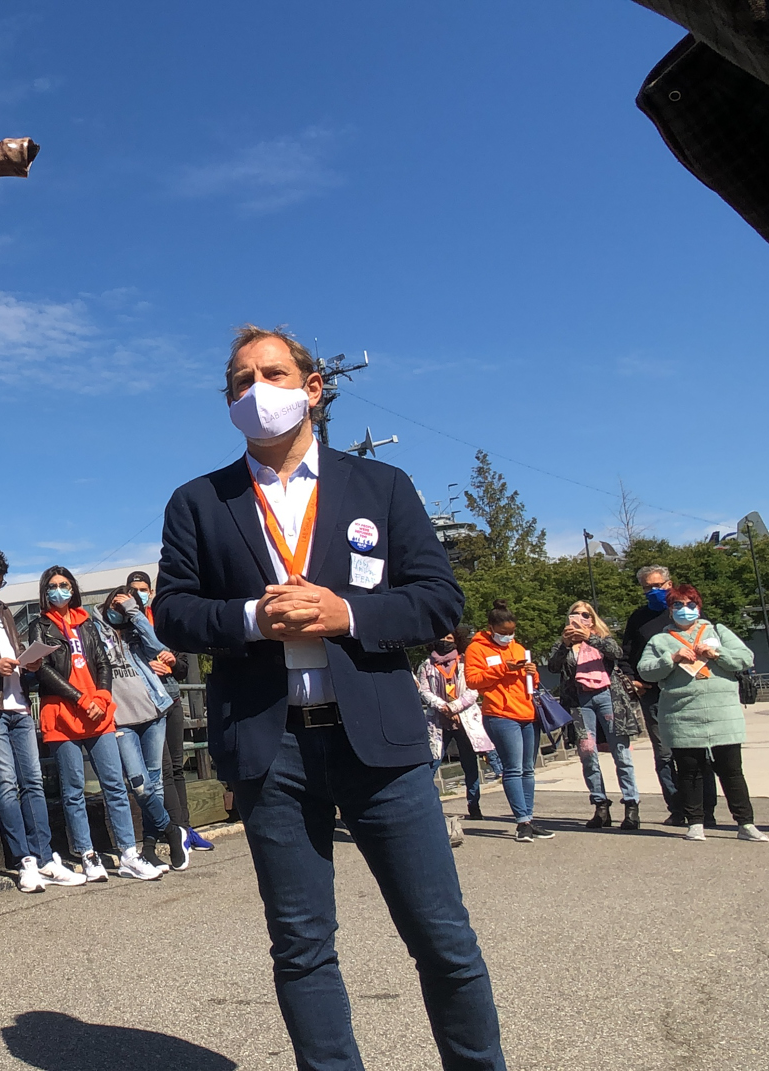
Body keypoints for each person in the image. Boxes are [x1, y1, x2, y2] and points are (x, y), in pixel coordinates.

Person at [153, 325, 502, 1070]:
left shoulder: (382, 486)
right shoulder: (198, 501)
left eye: (272, 374)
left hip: (378, 739)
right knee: (302, 947)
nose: (256, 391)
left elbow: (439, 600)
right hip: (270, 746)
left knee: (442, 937)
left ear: (313, 388)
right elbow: (173, 613)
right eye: (240, 381)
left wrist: (348, 613)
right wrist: (252, 618)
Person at [23, 567, 166, 882]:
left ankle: (129, 853)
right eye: (53, 586)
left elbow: (103, 662)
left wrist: (101, 697)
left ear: (73, 588)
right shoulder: (39, 626)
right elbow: (43, 669)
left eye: (64, 584)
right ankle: (87, 854)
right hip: (62, 714)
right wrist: (80, 699)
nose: (59, 590)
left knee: (115, 785)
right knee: (73, 789)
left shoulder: (87, 622)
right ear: (45, 592)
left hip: (97, 714)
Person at [0, 548, 84, 891]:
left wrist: (29, 664)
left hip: (19, 704)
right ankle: (23, 860)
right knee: (5, 783)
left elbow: (13, 652)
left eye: (0, 582)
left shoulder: (2, 610)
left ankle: (44, 856)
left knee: (33, 782)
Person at [637, 584, 768, 842]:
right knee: (689, 771)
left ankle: (745, 823)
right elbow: (645, 671)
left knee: (731, 770)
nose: (684, 610)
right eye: (677, 605)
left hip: (722, 714)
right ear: (670, 610)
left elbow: (745, 658)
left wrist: (717, 653)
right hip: (682, 715)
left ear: (698, 607)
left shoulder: (717, 631)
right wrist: (671, 658)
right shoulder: (659, 640)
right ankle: (695, 822)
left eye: (690, 604)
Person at [129, 569, 216, 858]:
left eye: (143, 590)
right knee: (162, 770)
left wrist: (172, 663)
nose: (139, 594)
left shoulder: (164, 622)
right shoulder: (126, 626)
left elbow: (183, 667)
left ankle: (187, 828)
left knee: (177, 767)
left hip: (172, 698)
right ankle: (174, 829)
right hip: (148, 707)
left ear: (151, 592)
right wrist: (146, 667)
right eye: (133, 590)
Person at [98, 586, 187, 869]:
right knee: (140, 785)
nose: (119, 610)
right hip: (120, 718)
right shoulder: (96, 631)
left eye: (124, 607)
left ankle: (149, 846)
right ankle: (171, 830)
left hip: (153, 711)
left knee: (156, 781)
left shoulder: (138, 633)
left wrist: (135, 614)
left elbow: (160, 648)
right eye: (116, 605)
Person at [545, 600, 643, 831]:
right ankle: (600, 806)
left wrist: (589, 637)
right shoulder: (565, 643)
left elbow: (616, 653)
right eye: (575, 614)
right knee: (587, 753)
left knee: (621, 753)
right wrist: (566, 644)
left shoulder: (602, 638)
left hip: (608, 697)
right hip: (580, 702)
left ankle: (631, 805)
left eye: (585, 615)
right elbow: (553, 667)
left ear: (592, 619)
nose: (580, 619)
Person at [464, 600, 552, 843]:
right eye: (503, 632)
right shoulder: (477, 649)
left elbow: (530, 684)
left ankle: (529, 819)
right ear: (491, 628)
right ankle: (522, 821)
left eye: (512, 632)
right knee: (512, 769)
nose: (508, 637)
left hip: (527, 713)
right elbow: (473, 681)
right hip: (501, 714)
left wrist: (533, 673)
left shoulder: (519, 648)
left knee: (528, 769)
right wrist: (503, 668)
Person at [622, 564, 690, 824]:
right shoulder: (638, 618)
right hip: (652, 693)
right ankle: (677, 809)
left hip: (686, 691)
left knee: (694, 750)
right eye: (647, 587)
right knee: (664, 753)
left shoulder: (684, 612)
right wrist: (632, 681)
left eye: (657, 586)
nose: (653, 591)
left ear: (669, 584)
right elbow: (626, 654)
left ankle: (702, 808)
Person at [414, 628, 484, 827]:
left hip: (463, 720)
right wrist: (443, 707)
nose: (445, 641)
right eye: (442, 637)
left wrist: (455, 707)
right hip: (438, 721)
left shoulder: (465, 663)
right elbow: (424, 691)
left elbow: (473, 690)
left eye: (449, 638)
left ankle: (474, 805)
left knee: (470, 765)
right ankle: (428, 805)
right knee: (433, 763)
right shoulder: (426, 665)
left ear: (457, 641)